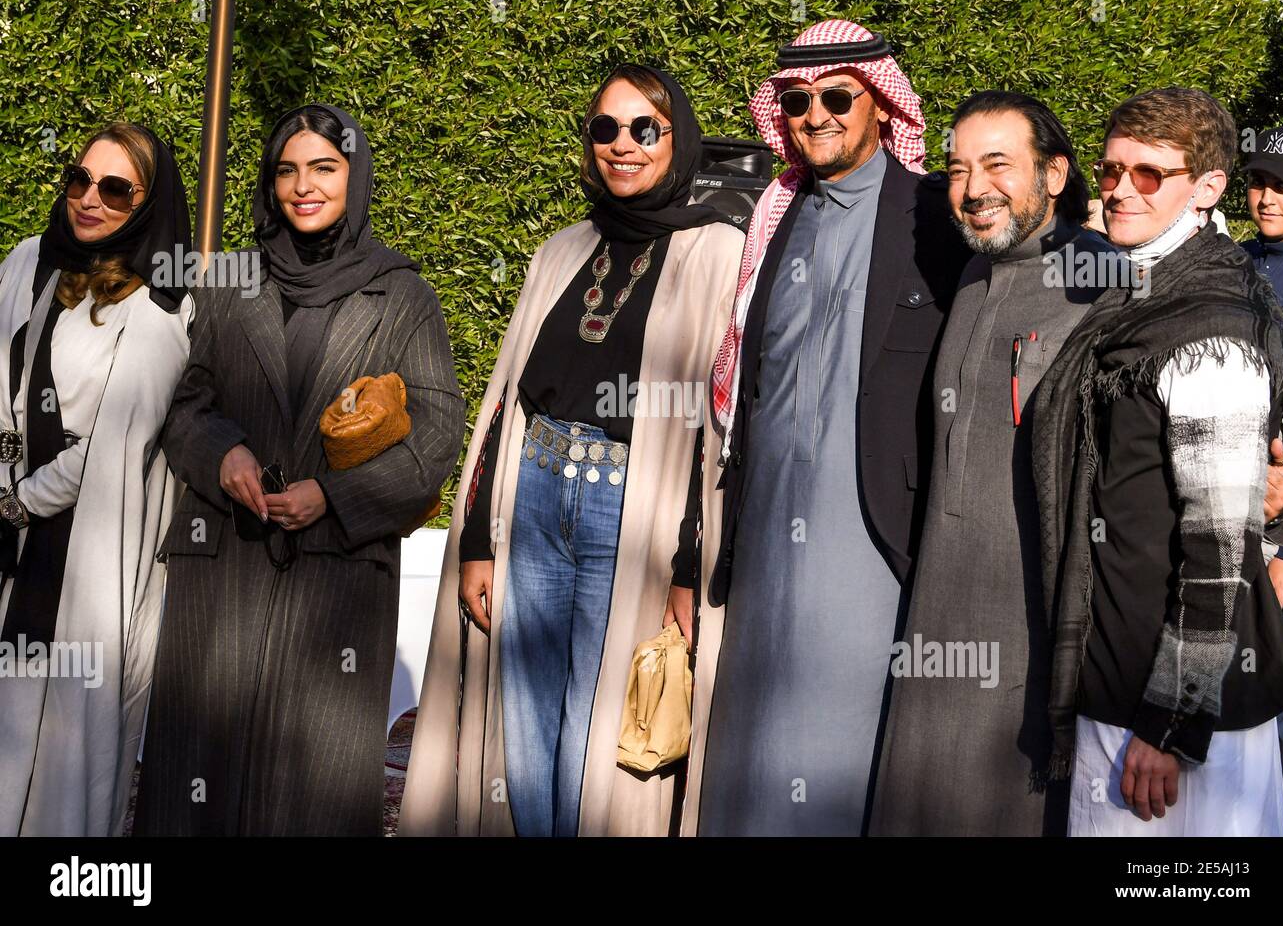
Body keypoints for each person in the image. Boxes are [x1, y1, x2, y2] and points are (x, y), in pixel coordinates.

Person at [399, 65, 744, 837]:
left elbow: (713, 431)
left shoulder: (719, 252)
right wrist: (481, 541)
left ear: (676, 138)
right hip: (536, 496)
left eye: (643, 129)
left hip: (634, 516)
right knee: (521, 725)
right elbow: (504, 403)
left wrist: (689, 569)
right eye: (606, 129)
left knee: (597, 733)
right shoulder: (561, 250)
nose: (623, 145)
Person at [133, 104, 464, 836]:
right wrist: (224, 455)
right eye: (287, 170)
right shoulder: (233, 280)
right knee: (199, 776)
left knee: (309, 790)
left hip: (335, 578)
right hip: (224, 567)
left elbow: (439, 435)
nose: (302, 186)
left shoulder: (401, 295)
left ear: (356, 177)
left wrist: (336, 497)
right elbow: (187, 403)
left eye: (323, 168)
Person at [694, 19, 970, 836]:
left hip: (878, 535)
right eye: (798, 99)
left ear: (882, 104)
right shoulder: (776, 217)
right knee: (752, 751)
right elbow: (741, 390)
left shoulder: (934, 216)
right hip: (767, 534)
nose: (816, 115)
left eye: (838, 96)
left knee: (845, 757)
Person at [1034, 88, 1283, 836]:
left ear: (1208, 188)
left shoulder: (1209, 321)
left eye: (1149, 173)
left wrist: (1171, 724)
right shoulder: (1142, 291)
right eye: (1111, 168)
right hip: (1120, 671)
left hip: (1172, 712)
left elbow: (1217, 550)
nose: (1119, 188)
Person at [869, 92, 1111, 836]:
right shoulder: (972, 276)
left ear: (1056, 173)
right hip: (937, 614)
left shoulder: (1103, 284)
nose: (974, 187)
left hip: (1032, 634)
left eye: (998, 165)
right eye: (957, 168)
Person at [0, 122, 193, 835]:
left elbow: (118, 437)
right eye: (79, 180)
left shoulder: (162, 302)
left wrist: (19, 502)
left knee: (64, 748)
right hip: (10, 542)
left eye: (115, 189)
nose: (89, 200)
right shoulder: (29, 261)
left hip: (82, 546)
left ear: (147, 202)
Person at [1240, 123, 1283, 799]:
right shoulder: (1235, 263)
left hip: (1281, 531)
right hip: (1222, 507)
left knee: (1269, 691)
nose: (1266, 196)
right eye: (1258, 181)